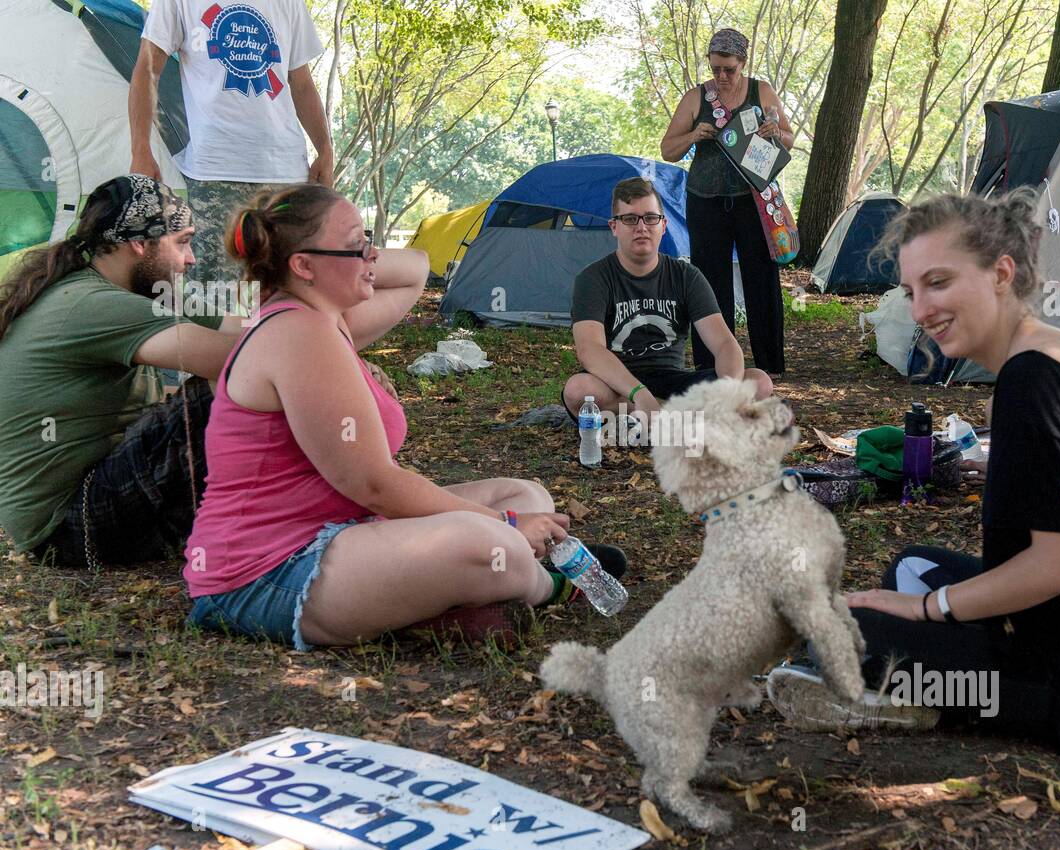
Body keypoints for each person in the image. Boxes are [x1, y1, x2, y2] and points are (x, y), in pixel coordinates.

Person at [766, 191, 1060, 756]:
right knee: (913, 566)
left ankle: (899, 690)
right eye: (910, 291)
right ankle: (910, 682)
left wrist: (928, 611)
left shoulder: (1033, 381)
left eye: (939, 283)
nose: (920, 309)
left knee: (848, 626)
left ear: (1001, 273)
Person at [184, 185, 618, 651]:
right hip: (268, 572)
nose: (373, 255)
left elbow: (414, 268)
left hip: (347, 529)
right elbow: (376, 486)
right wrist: (508, 526)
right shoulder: (298, 333)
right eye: (357, 247)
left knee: (526, 494)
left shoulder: (331, 318)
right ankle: (546, 586)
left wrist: (345, 249)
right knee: (496, 546)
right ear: (303, 266)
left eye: (369, 239)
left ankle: (448, 601)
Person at [0, 175, 240, 568]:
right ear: (140, 244)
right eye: (182, 242)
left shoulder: (132, 288)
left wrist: (327, 302)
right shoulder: (93, 304)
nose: (192, 258)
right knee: (220, 391)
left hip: (88, 506)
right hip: (73, 530)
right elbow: (248, 359)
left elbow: (250, 330)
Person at [129, 0, 333, 291]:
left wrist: (325, 149)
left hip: (286, 173)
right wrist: (140, 150)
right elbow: (147, 69)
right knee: (219, 296)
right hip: (215, 174)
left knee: (288, 290)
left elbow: (300, 82)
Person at [563, 177, 773, 424]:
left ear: (663, 225)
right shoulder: (593, 278)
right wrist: (638, 392)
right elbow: (590, 351)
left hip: (675, 381)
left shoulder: (686, 276)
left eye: (650, 218)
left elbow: (725, 344)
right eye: (630, 219)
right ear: (614, 227)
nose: (641, 227)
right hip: (618, 385)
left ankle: (666, 417)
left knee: (758, 382)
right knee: (579, 391)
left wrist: (727, 392)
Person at [660, 27, 794, 377]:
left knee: (761, 277)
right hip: (705, 201)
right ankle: (712, 364)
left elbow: (790, 138)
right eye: (715, 68)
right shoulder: (696, 98)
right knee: (709, 282)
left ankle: (770, 363)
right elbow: (667, 150)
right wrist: (692, 135)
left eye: (729, 69)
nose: (721, 76)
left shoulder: (760, 91)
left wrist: (775, 132)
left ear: (743, 63)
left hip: (752, 199)